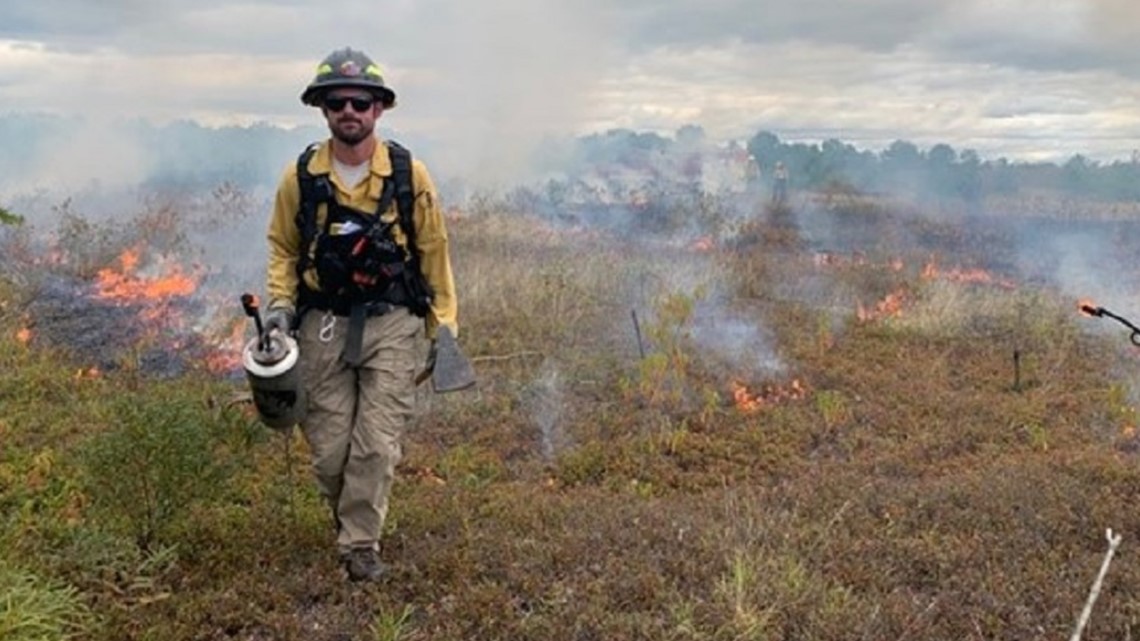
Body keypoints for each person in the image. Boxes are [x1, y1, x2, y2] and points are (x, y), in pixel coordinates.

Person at [262, 47, 458, 582]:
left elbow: (434, 249)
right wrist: (280, 308)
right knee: (329, 451)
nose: (349, 110)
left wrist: (445, 327)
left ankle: (359, 546)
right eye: (337, 101)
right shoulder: (300, 177)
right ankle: (352, 520)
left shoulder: (406, 173)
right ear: (322, 109)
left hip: (391, 321)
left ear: (378, 109)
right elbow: (282, 247)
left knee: (375, 443)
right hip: (321, 323)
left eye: (360, 101)